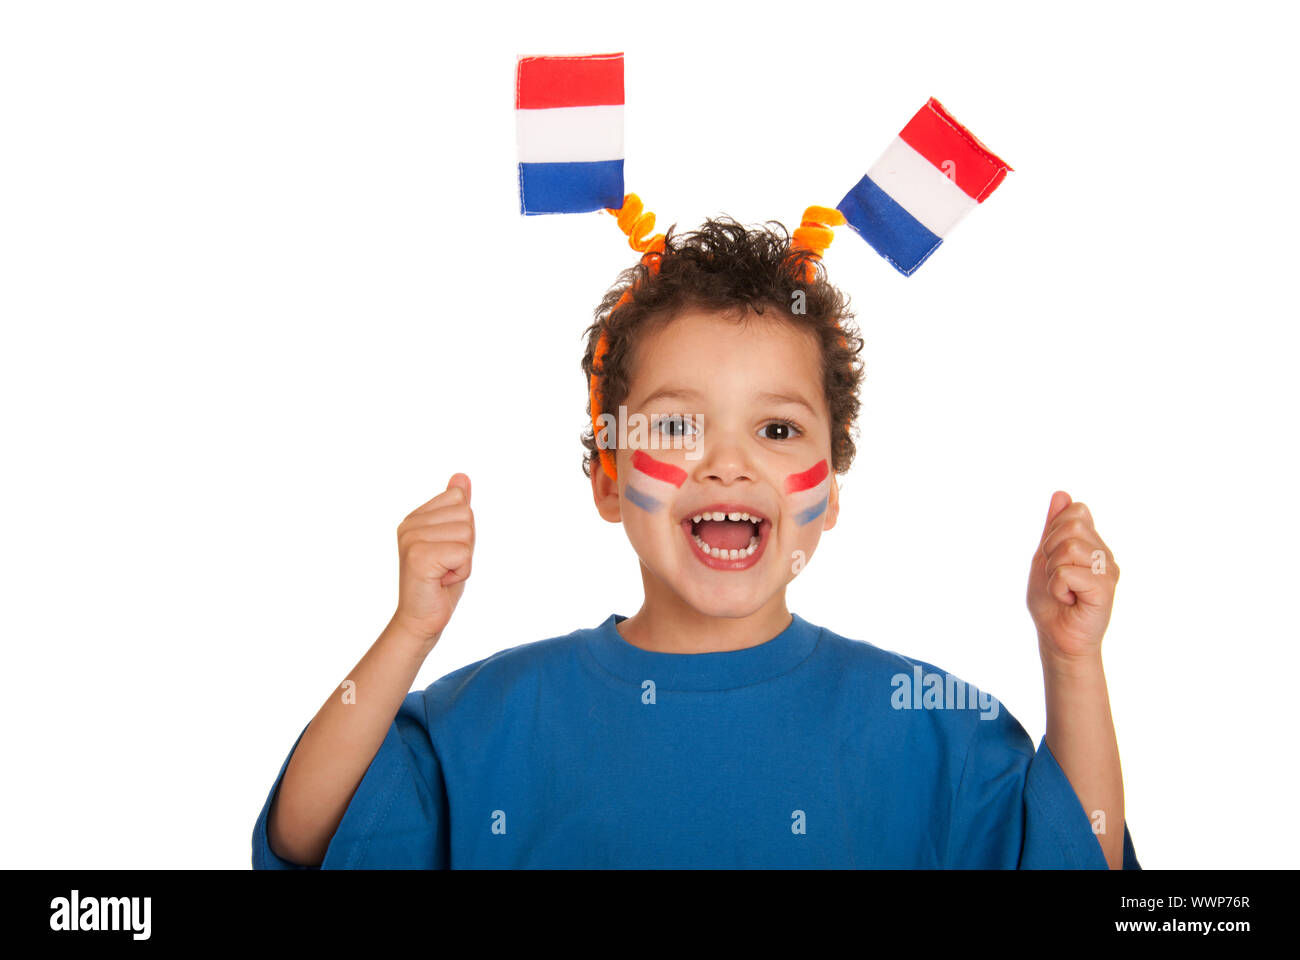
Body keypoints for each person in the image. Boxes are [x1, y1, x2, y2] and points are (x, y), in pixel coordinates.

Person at [251, 208, 1139, 869]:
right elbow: (307, 838)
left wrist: (1071, 663)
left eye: (779, 431)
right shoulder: (487, 718)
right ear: (609, 478)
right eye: (676, 428)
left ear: (829, 491)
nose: (727, 465)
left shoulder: (935, 727)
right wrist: (410, 630)